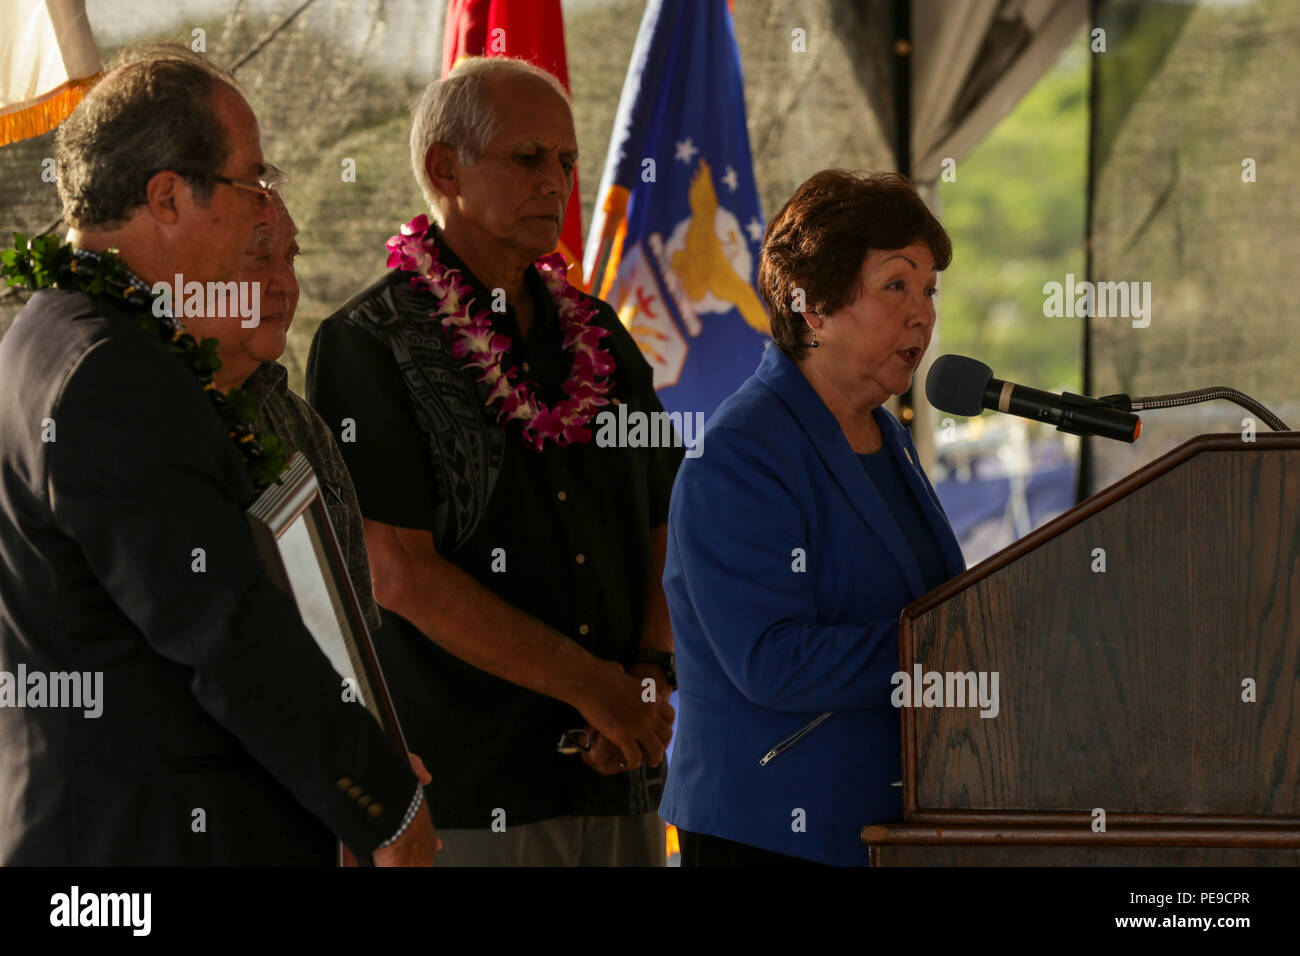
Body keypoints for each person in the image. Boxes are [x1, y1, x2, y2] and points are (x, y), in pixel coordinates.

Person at [0, 43, 434, 866]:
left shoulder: (58, 334)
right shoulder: (111, 374)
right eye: (252, 179)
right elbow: (226, 637)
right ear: (168, 196)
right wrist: (383, 802)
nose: (269, 205)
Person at [308, 56, 680, 866]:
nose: (557, 183)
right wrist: (594, 686)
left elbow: (666, 518)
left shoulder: (601, 333)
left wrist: (647, 678)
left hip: (622, 779)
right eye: (528, 158)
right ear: (444, 168)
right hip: (472, 797)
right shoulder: (369, 344)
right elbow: (397, 570)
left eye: (568, 162)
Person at [659, 169, 968, 867]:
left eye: (929, 290)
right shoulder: (741, 453)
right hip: (770, 832)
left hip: (880, 826)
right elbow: (771, 660)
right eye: (896, 285)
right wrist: (951, 654)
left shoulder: (884, 436)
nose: (923, 313)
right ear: (815, 306)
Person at [187, 186, 382, 633]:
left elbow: (354, 632)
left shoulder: (298, 422)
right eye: (259, 259)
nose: (287, 285)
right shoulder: (134, 415)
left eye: (291, 258)